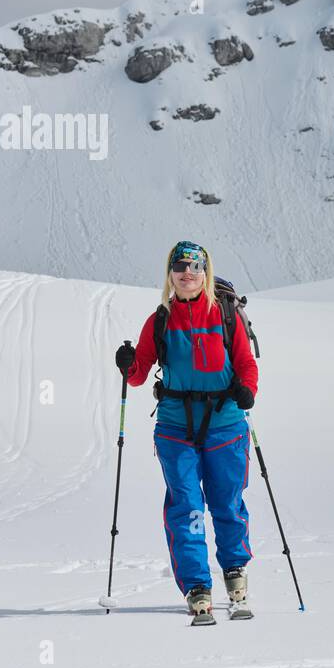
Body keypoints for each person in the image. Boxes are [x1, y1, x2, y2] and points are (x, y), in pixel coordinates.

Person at [114, 241, 259, 621]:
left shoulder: (225, 314)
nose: (188, 273)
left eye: (196, 266)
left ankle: (234, 570)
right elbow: (139, 375)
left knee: (227, 504)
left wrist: (247, 390)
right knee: (188, 506)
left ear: (206, 273)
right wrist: (127, 364)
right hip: (176, 427)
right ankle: (197, 584)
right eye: (180, 266)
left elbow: (245, 362)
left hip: (226, 425)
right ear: (170, 273)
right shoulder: (159, 320)